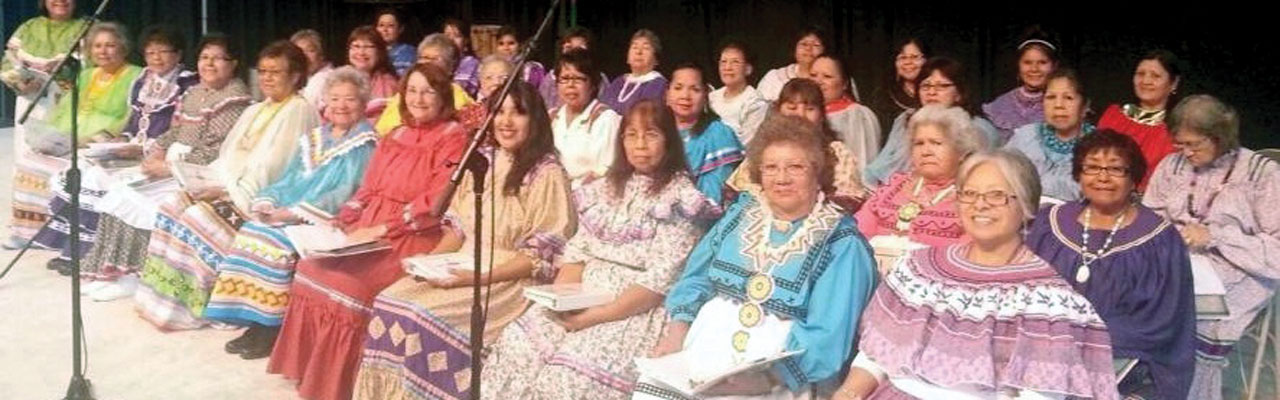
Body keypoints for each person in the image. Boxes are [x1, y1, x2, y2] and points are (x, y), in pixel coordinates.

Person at [476, 99, 721, 399]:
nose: (640, 144)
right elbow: (579, 252)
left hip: (630, 310)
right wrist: (563, 299)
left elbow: (658, 282)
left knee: (567, 377)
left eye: (651, 134)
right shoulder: (608, 187)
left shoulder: (680, 199)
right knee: (518, 344)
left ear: (669, 141)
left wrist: (593, 316)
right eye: (631, 135)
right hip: (583, 298)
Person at [352, 82, 577, 400]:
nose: (506, 121)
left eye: (519, 113)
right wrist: (429, 263)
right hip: (463, 262)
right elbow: (457, 230)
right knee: (389, 300)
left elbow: (541, 257)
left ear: (536, 120)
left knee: (420, 316)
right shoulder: (482, 160)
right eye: (499, 112)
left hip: (509, 278)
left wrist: (478, 278)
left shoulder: (546, 172)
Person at [835, 149, 1118, 400]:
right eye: (969, 194)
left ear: (1027, 207)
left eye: (997, 195)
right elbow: (876, 356)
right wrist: (848, 394)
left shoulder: (1049, 302)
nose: (980, 204)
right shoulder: (916, 269)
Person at [633, 115, 878, 399]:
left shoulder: (842, 241)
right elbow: (695, 278)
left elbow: (828, 336)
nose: (782, 178)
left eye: (795, 167)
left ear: (818, 172)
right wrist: (676, 333)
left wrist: (768, 379)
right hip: (705, 347)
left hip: (782, 368)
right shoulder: (740, 215)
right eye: (771, 167)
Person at [267, 63, 468, 400]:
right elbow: (367, 190)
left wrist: (381, 229)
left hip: (411, 234)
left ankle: (338, 384)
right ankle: (309, 369)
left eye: (428, 91)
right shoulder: (394, 135)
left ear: (443, 96)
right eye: (412, 90)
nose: (418, 98)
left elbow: (434, 205)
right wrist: (344, 219)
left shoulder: (455, 137)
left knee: (349, 287)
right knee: (309, 267)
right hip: (369, 227)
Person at [193, 66, 379, 360]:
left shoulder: (364, 143)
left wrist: (289, 214)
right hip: (286, 212)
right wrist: (268, 201)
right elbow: (288, 177)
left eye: (350, 100)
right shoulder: (317, 136)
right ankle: (255, 321)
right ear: (325, 102)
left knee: (272, 244)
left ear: (363, 103)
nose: (341, 106)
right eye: (335, 99)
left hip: (328, 218)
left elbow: (342, 193)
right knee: (251, 232)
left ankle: (272, 327)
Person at [127, 41, 319, 304]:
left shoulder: (299, 109)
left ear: (295, 75)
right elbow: (228, 156)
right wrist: (204, 179)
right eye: (263, 71)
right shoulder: (257, 108)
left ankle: (195, 302)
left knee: (197, 217)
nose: (267, 78)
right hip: (229, 184)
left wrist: (225, 191)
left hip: (258, 197)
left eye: (275, 72)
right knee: (171, 204)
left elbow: (273, 169)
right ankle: (162, 297)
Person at [82, 33, 251, 302]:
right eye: (204, 57)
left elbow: (214, 151)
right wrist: (156, 149)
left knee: (140, 200)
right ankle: (112, 271)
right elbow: (177, 131)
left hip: (200, 173)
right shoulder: (197, 92)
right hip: (172, 163)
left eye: (218, 59)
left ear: (234, 64)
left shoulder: (236, 99)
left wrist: (170, 167)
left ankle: (134, 275)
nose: (209, 64)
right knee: (119, 190)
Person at [1027, 130, 1195, 399]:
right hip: (1041, 349)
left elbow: (1164, 321)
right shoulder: (1050, 222)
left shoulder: (1160, 240)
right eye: (1092, 167)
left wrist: (1085, 338)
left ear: (1134, 178)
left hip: (1124, 361)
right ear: (1078, 174)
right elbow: (1025, 287)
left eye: (1116, 169)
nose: (1102, 177)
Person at [1142, 95, 1280, 400]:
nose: (1186, 152)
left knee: (1197, 321)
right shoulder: (1172, 165)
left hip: (1241, 269)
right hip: (1177, 261)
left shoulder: (1261, 174)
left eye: (1195, 145)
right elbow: (1149, 218)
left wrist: (1215, 236)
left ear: (1220, 137)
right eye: (1181, 144)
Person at [34, 25, 197, 269]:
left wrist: (148, 148)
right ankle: (72, 248)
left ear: (178, 54)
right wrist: (120, 139)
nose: (157, 58)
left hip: (159, 154)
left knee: (97, 179)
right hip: (132, 147)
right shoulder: (144, 79)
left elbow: (181, 130)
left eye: (163, 52)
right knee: (80, 169)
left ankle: (90, 255)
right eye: (151, 53)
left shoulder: (188, 84)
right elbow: (133, 121)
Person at [14, 22, 141, 255]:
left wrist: (90, 140)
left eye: (110, 45)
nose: (103, 51)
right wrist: (48, 136)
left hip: (98, 142)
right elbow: (63, 109)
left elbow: (129, 117)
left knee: (71, 168)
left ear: (123, 48)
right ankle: (28, 231)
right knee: (30, 160)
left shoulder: (136, 75)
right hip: (67, 138)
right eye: (97, 46)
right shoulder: (86, 74)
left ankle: (67, 235)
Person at [1, 0, 90, 249]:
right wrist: (21, 82)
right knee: (27, 161)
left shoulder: (87, 27)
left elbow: (95, 67)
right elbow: (8, 61)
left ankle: (59, 230)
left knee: (58, 164)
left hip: (67, 102)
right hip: (32, 101)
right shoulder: (29, 27)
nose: (60, 1)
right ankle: (26, 229)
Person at [856, 105, 983, 274]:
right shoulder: (893, 187)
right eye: (919, 143)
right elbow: (857, 235)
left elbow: (970, 255)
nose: (926, 151)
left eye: (936, 143)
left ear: (961, 151)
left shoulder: (974, 196)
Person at [726, 79, 867, 212]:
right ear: (778, 111)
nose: (800, 115)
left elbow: (847, 200)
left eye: (810, 109)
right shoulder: (764, 150)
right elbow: (738, 193)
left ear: (821, 115)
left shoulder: (838, 152)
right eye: (792, 108)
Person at [863, 57, 998, 188]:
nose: (932, 92)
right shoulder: (906, 120)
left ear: (959, 93)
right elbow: (882, 163)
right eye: (926, 86)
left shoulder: (979, 129)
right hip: (897, 191)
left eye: (942, 86)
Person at [1003, 68, 1095, 201]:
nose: (1058, 105)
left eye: (1068, 98)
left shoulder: (1098, 147)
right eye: (1051, 97)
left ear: (1085, 106)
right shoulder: (1025, 137)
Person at [1097, 50, 1183, 189]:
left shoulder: (1176, 132)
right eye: (1140, 74)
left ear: (1174, 83)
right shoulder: (1113, 116)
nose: (1146, 81)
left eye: (1155, 76)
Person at [666, 63, 744, 205]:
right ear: (667, 94)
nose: (685, 96)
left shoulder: (718, 134)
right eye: (678, 88)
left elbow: (714, 197)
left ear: (706, 95)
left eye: (695, 89)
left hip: (701, 217)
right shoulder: (657, 132)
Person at [373, 33, 475, 135]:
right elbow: (382, 129)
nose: (427, 63)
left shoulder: (455, 94)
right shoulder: (407, 91)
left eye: (434, 59)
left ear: (450, 67)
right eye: (424, 57)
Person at [549, 49, 621, 186]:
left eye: (578, 79)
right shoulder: (551, 117)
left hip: (588, 198)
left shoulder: (605, 119)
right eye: (565, 79)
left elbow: (605, 171)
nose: (570, 85)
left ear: (593, 84)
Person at [982, 31, 1058, 141]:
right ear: (1018, 65)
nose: (1034, 69)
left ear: (1054, 66)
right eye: (1027, 62)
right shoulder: (1000, 107)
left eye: (1042, 62)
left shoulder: (1062, 104)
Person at [811, 54, 880, 171]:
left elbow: (864, 162)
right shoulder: (799, 112)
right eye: (813, 75)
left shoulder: (858, 115)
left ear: (844, 84)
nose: (818, 81)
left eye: (827, 76)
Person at [757, 26, 859, 102]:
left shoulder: (839, 78)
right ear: (794, 49)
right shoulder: (774, 77)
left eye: (816, 45)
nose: (808, 49)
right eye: (804, 44)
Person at [868, 37, 928, 140]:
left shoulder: (934, 93)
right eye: (902, 58)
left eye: (914, 57)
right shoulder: (883, 96)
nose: (908, 62)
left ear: (927, 60)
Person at [709, 40, 768, 144]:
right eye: (723, 62)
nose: (727, 68)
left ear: (748, 69)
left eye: (735, 62)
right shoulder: (712, 97)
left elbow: (748, 143)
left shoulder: (755, 102)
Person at [600, 29, 667, 114]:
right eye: (634, 47)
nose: (638, 52)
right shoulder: (618, 82)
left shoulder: (659, 84)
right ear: (627, 58)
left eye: (646, 48)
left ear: (656, 59)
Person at [537, 26, 604, 109]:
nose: (574, 52)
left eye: (579, 48)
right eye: (569, 47)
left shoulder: (600, 78)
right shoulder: (550, 78)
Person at [345, 26, 399, 120]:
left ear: (379, 52)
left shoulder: (388, 83)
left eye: (368, 47)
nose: (361, 52)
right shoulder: (339, 77)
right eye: (356, 46)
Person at [291, 29, 334, 109]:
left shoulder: (324, 78)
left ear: (321, 54)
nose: (304, 57)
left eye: (310, 51)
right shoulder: (303, 78)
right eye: (299, 52)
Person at [442, 17, 479, 96]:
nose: (451, 40)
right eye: (447, 35)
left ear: (466, 40)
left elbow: (458, 89)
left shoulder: (471, 62)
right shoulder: (440, 60)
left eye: (457, 36)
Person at [374, 8, 416, 76]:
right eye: (381, 25)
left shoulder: (408, 52)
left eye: (390, 25)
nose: (385, 29)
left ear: (400, 29)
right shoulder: (371, 50)